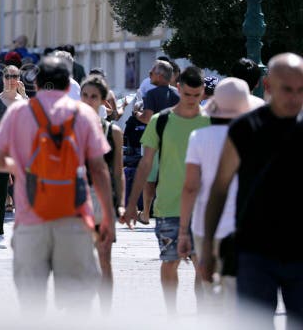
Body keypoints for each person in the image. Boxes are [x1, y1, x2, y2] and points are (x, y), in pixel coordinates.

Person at [0, 56, 114, 310]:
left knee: (32, 303)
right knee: (77, 302)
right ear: (69, 85)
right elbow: (99, 169)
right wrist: (108, 216)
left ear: (38, 83)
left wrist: (20, 167)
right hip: (74, 217)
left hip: (31, 218)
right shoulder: (84, 114)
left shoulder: (19, 112)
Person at [202, 53, 303, 327]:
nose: (294, 97)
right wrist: (209, 250)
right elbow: (219, 190)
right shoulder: (246, 129)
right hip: (255, 252)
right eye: (287, 89)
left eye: (301, 90)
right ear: (268, 86)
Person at [121, 66, 209, 314]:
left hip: (202, 208)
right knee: (170, 262)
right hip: (169, 206)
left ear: (203, 92)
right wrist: (130, 205)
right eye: (188, 94)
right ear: (179, 89)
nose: (192, 100)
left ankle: (202, 316)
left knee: (202, 266)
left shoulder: (211, 121)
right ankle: (171, 316)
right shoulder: (161, 121)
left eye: (197, 95)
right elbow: (145, 164)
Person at [178, 77, 262, 314]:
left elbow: (191, 187)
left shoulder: (199, 138)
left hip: (205, 226)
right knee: (239, 298)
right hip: (243, 227)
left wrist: (183, 231)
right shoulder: (256, 139)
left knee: (211, 295)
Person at [80, 74, 125, 313]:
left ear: (103, 100)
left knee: (104, 259)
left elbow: (118, 173)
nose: (88, 100)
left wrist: (121, 205)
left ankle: (105, 315)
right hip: (75, 199)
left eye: (93, 96)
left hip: (102, 198)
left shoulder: (113, 131)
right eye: (84, 95)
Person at [132, 59, 179, 225]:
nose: (149, 74)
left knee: (150, 179)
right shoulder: (177, 94)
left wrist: (136, 113)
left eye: (152, 72)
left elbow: (147, 118)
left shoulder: (151, 94)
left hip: (154, 140)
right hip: (173, 141)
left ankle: (145, 213)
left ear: (159, 76)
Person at [0, 65, 26, 248]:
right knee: (0, 194)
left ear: (19, 79)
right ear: (3, 78)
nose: (11, 79)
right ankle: (0, 233)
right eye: (8, 76)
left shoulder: (24, 101)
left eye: (14, 76)